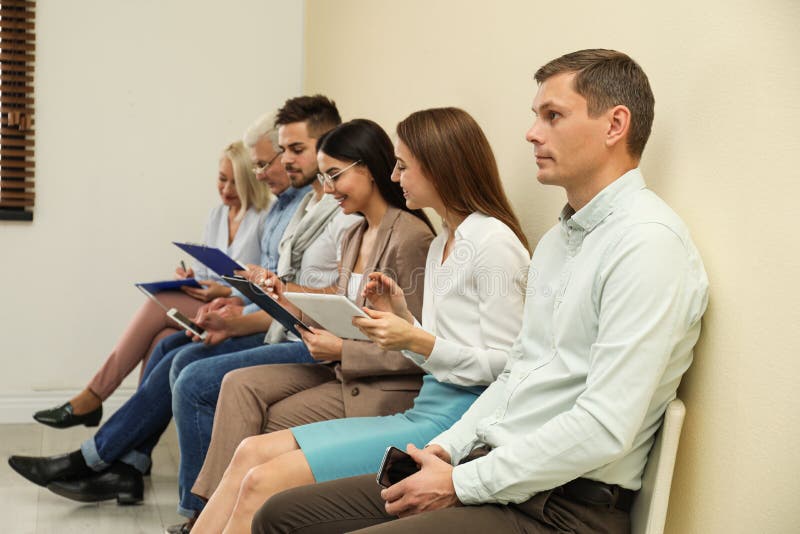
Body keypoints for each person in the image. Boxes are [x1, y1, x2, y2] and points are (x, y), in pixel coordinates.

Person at [252, 49, 710, 534]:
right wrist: (445, 450)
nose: (532, 133)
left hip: (562, 507)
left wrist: (460, 483)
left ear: (615, 125)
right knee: (281, 515)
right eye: (536, 117)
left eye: (552, 116)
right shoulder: (559, 241)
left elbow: (602, 428)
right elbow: (515, 375)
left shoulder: (648, 245)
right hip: (494, 468)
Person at [191, 107, 531, 534]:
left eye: (403, 167)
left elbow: (509, 369)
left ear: (440, 167)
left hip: (454, 423)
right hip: (425, 408)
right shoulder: (445, 241)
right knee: (248, 453)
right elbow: (439, 350)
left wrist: (414, 338)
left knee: (262, 479)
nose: (395, 177)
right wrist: (403, 321)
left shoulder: (493, 243)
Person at [5, 95, 353, 507]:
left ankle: (123, 466)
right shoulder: (304, 208)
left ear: (330, 146)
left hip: (294, 337)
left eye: (294, 151)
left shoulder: (335, 213)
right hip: (274, 321)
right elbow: (285, 287)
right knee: (168, 344)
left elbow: (315, 302)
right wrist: (234, 301)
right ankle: (126, 466)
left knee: (184, 364)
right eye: (281, 152)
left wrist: (238, 314)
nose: (279, 164)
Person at [168, 118, 436, 528]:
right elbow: (341, 305)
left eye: (334, 176)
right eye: (324, 176)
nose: (326, 190)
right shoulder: (355, 235)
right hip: (343, 366)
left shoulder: (410, 238)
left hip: (382, 384)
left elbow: (418, 346)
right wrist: (280, 293)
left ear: (367, 168)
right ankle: (209, 514)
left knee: (262, 426)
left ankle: (220, 517)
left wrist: (342, 349)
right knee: (237, 383)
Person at [31, 140, 270, 429]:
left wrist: (226, 291)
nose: (227, 189)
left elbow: (263, 282)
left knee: (157, 305)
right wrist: (191, 276)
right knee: (159, 338)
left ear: (250, 182)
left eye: (236, 182)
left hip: (236, 304)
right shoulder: (216, 215)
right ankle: (133, 448)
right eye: (222, 179)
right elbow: (208, 269)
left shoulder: (263, 217)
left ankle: (94, 397)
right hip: (205, 298)